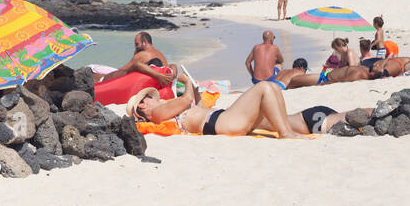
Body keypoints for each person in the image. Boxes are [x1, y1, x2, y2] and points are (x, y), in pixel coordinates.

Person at [125, 71, 314, 138]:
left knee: (272, 87)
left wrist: (195, 90)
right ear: (142, 105)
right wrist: (187, 83)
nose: (153, 98)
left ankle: (286, 128)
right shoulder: (157, 112)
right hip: (221, 122)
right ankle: (285, 133)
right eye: (149, 97)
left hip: (220, 119)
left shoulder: (164, 109)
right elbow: (185, 100)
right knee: (264, 87)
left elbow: (195, 106)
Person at [93, 32, 171, 85]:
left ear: (145, 42)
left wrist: (135, 55)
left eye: (137, 44)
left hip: (129, 81)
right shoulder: (160, 54)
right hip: (155, 81)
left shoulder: (142, 54)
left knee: (95, 73)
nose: (135, 47)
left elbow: (122, 70)